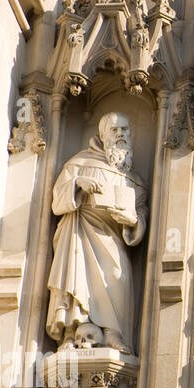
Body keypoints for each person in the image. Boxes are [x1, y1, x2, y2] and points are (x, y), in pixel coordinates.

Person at [47, 112, 148, 353]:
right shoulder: (80, 164)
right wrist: (78, 185)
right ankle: (73, 335)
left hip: (113, 239)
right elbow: (57, 202)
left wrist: (133, 220)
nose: (121, 135)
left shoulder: (134, 179)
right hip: (81, 234)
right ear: (102, 136)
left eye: (124, 130)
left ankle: (114, 333)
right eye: (114, 130)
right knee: (78, 278)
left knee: (117, 276)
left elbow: (140, 214)